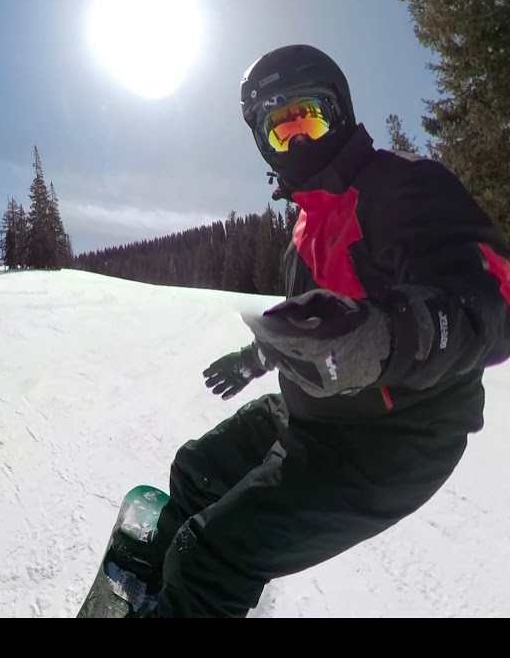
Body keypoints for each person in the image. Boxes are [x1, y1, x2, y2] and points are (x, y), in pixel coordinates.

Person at [147, 44, 510, 618]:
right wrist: (256, 356)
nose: (298, 141)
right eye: (280, 129)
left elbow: (494, 302)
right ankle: (157, 588)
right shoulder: (304, 232)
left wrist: (387, 336)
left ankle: (191, 592)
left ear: (338, 113)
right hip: (321, 415)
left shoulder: (402, 188)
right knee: (197, 468)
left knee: (210, 556)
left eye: (309, 117)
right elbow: (313, 328)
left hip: (396, 439)